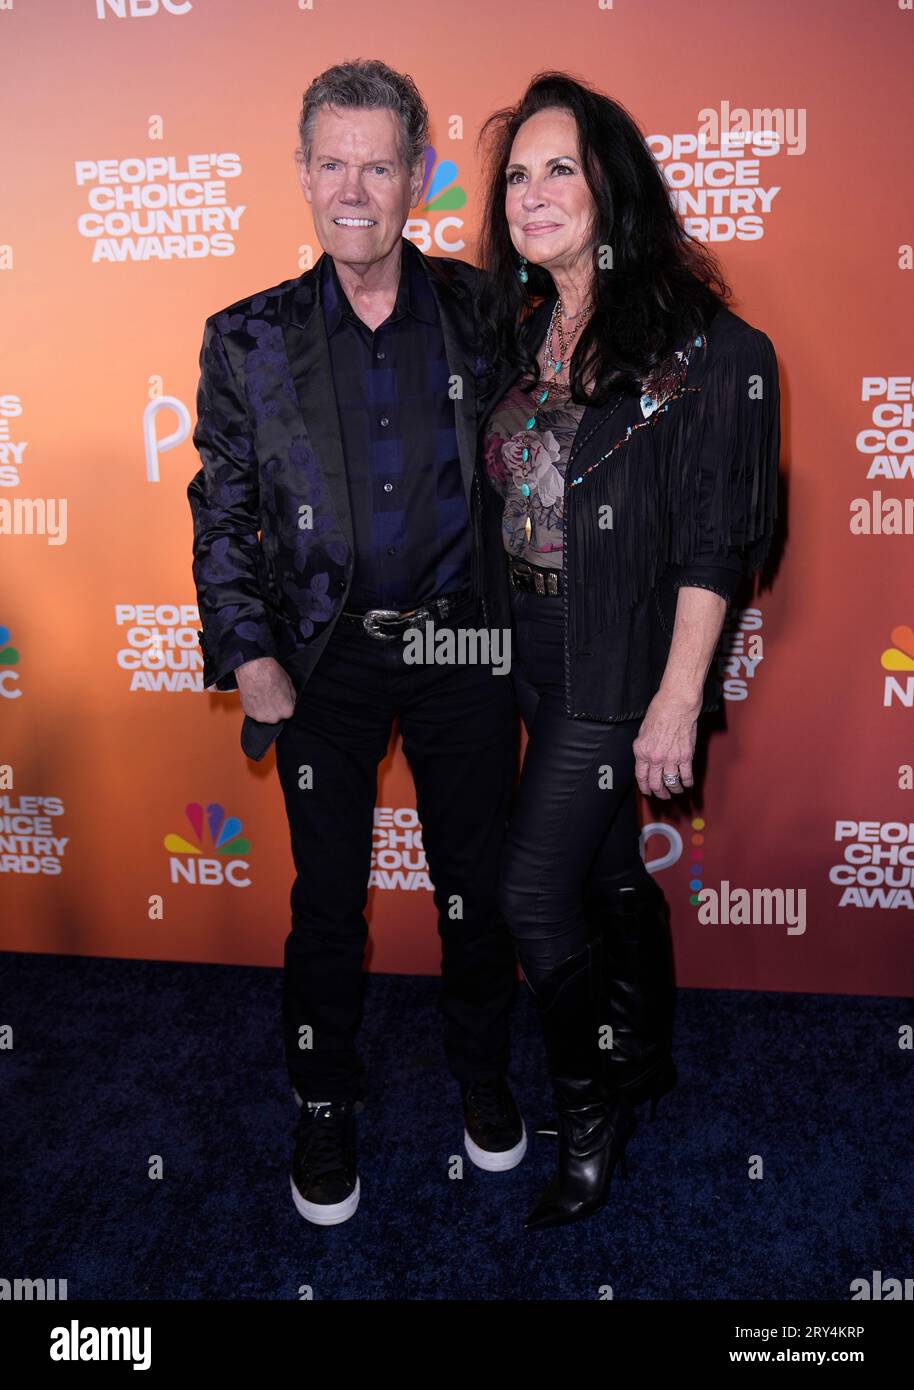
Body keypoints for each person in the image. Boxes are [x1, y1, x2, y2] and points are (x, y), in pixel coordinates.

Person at [187, 59, 526, 1228]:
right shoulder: (247, 341)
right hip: (322, 660)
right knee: (326, 903)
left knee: (472, 889)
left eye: (377, 163)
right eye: (330, 162)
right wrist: (252, 653)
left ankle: (482, 1072)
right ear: (300, 174)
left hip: (461, 651)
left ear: (416, 176)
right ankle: (323, 1097)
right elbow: (222, 502)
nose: (351, 187)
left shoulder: (489, 309)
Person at [475, 72, 780, 1230]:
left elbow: (717, 540)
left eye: (560, 169)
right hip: (526, 645)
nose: (533, 193)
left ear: (612, 188)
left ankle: (588, 1110)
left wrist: (673, 700)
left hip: (621, 660)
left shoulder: (704, 346)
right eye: (515, 175)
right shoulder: (513, 325)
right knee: (605, 872)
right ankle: (640, 1052)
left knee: (529, 890)